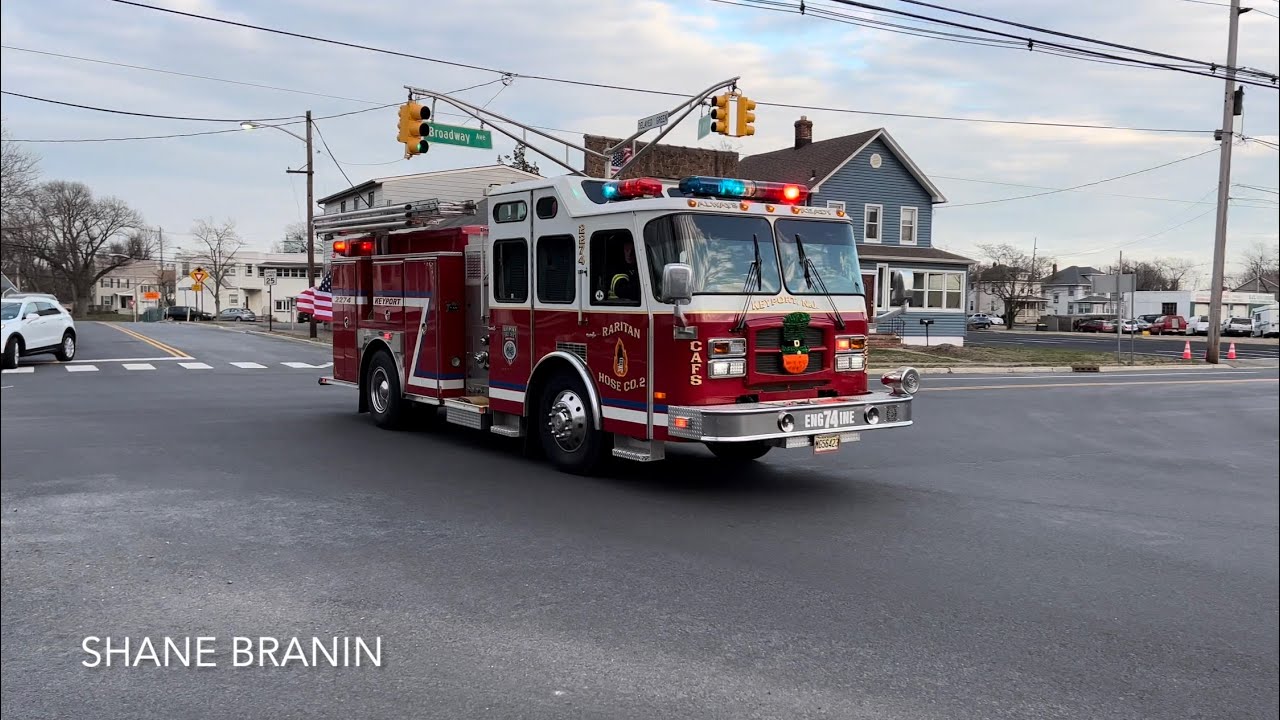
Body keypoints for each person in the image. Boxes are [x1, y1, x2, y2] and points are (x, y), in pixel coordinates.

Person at [607, 237, 640, 302]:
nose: (629, 254)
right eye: (627, 250)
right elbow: (624, 291)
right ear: (623, 250)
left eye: (633, 251)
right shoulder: (617, 268)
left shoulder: (641, 267)